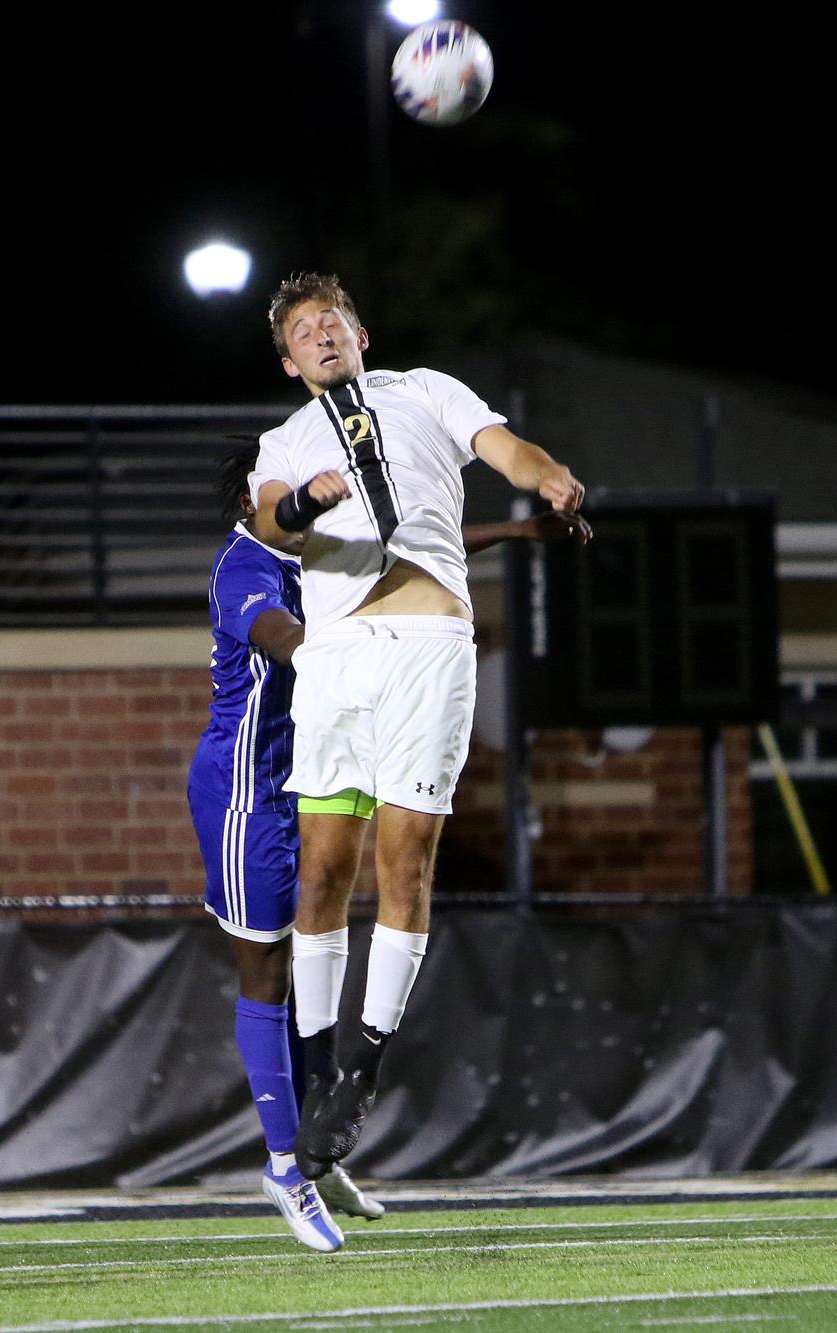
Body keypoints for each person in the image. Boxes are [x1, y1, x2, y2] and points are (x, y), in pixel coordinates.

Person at [192, 442, 588, 1250]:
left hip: (307, 772)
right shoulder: (247, 566)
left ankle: (312, 1149)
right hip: (247, 792)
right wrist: (345, 656)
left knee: (309, 973)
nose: (300, 502)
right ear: (251, 506)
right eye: (282, 493)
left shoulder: (324, 558)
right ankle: (282, 1166)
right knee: (266, 971)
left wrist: (516, 535)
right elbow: (279, 636)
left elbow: (417, 550)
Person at [243, 273, 587, 1183]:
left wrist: (546, 475)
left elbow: (505, 448)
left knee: (407, 860)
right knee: (321, 872)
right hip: (338, 654)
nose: (322, 334)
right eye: (304, 330)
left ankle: (361, 1062)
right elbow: (274, 516)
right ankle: (318, 1070)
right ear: (289, 361)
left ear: (362, 330)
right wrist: (310, 503)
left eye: (332, 320)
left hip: (431, 641)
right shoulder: (287, 436)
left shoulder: (424, 390)